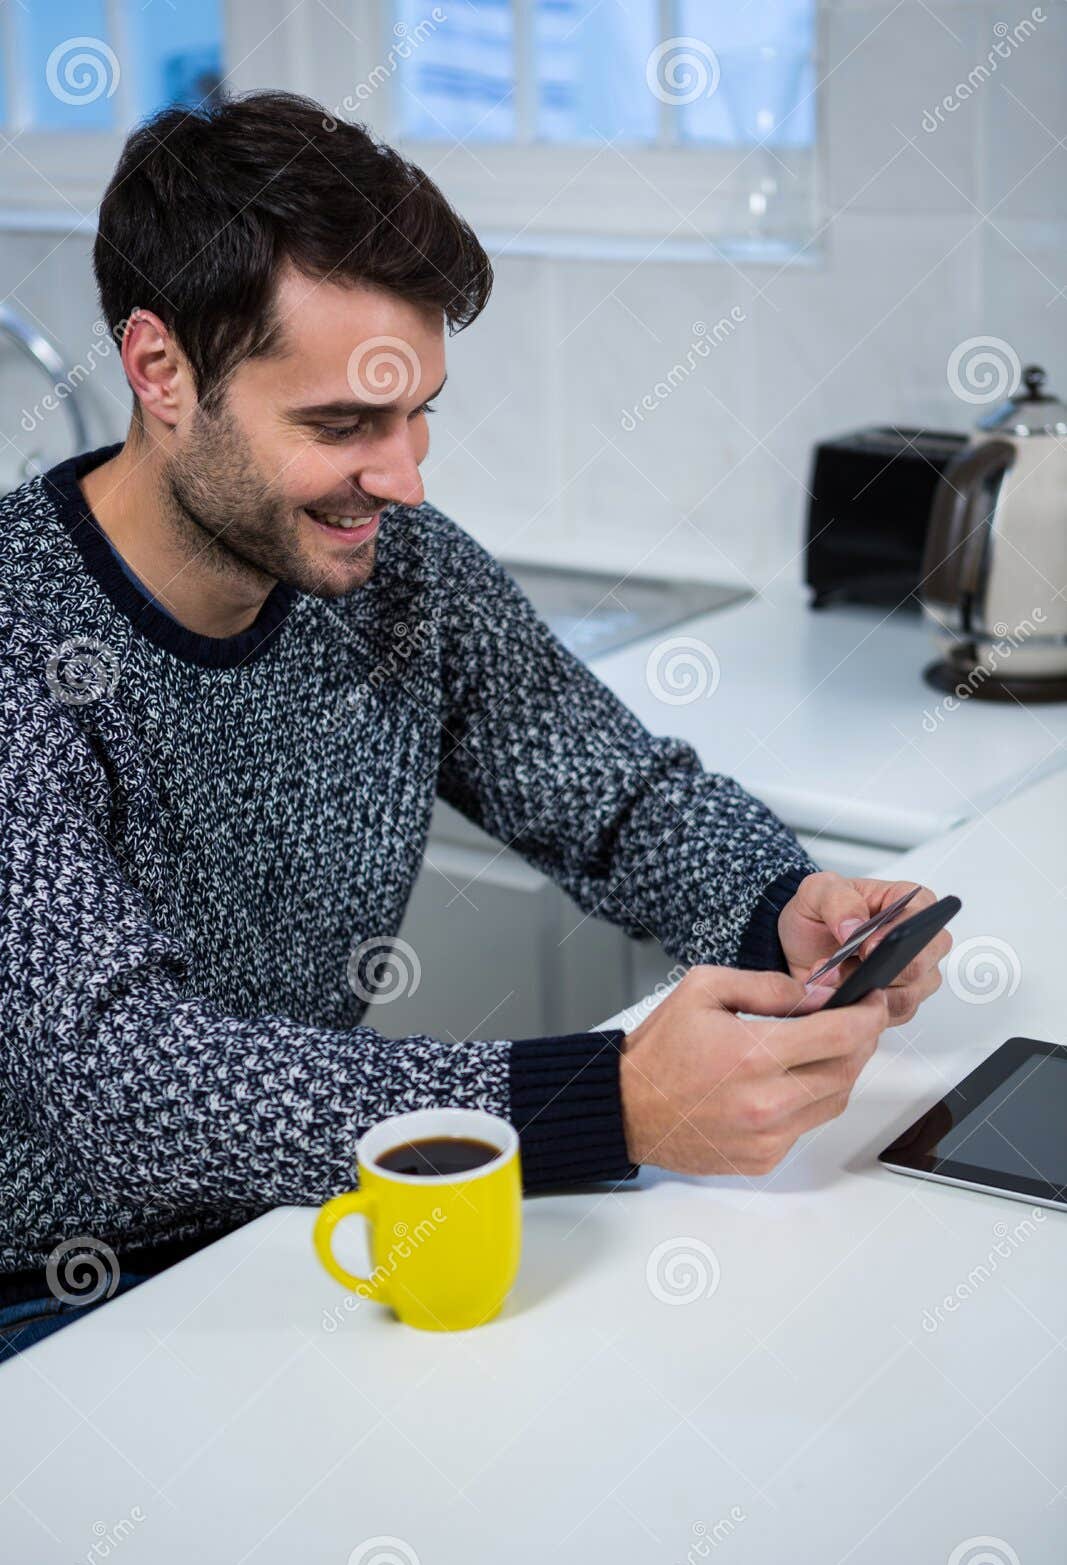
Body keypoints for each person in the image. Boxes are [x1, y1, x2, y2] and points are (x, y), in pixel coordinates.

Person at [0, 92, 948, 1359]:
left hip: (324, 1223)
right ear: (160, 370)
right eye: (340, 424)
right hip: (56, 1304)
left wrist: (785, 904)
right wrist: (601, 1103)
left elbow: (620, 801)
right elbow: (134, 1079)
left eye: (417, 410)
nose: (402, 475)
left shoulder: (404, 577)